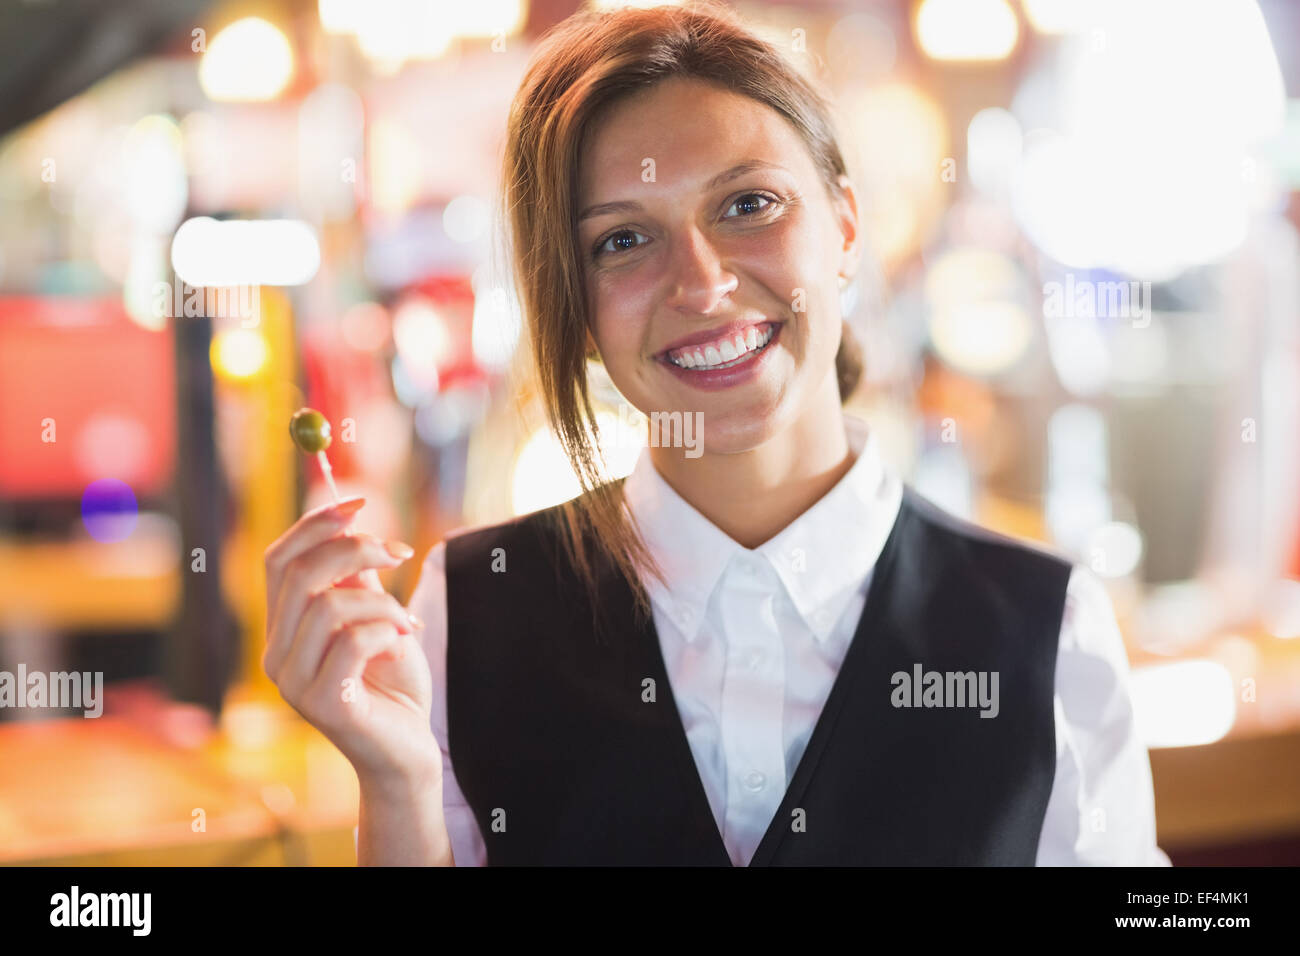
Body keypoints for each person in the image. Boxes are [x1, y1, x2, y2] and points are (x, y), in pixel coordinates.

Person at [263, 0, 1168, 866]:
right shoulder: (464, 615)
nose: (701, 284)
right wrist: (395, 781)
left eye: (747, 205)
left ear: (846, 227)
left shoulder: (1050, 630)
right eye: (622, 240)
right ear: (573, 309)